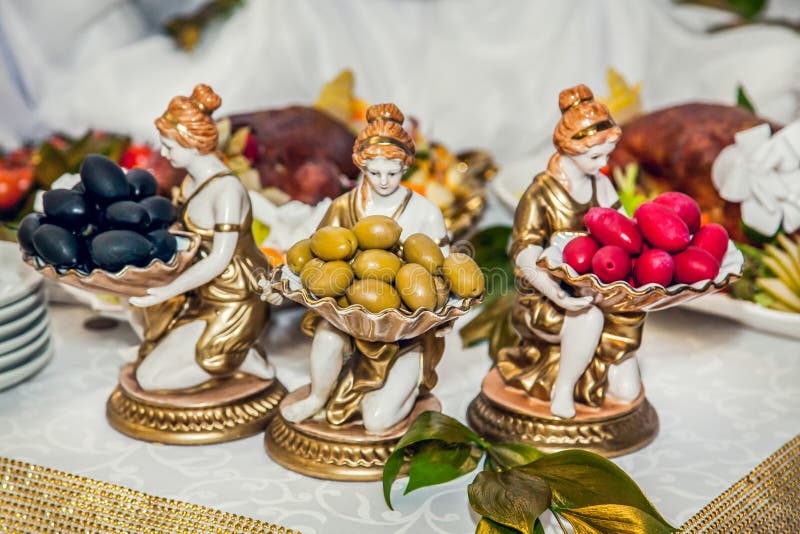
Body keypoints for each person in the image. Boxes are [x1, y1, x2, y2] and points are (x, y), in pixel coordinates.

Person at [281, 103, 450, 432]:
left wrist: (444, 317)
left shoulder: (426, 212)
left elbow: (442, 268)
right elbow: (319, 256)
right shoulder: (344, 206)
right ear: (362, 165)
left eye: (393, 172)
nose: (384, 181)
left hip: (407, 331)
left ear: (406, 166)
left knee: (377, 422)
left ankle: (396, 390)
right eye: (375, 172)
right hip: (347, 316)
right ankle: (318, 395)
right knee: (327, 338)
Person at [498, 84, 644, 419]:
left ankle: (597, 371)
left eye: (608, 154)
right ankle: (562, 390)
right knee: (587, 316)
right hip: (549, 296)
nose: (604, 163)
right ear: (569, 148)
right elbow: (525, 256)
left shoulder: (601, 185)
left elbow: (624, 235)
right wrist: (560, 296)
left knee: (627, 391)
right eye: (596, 156)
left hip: (602, 289)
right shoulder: (541, 194)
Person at [128, 84, 275, 390]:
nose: (164, 154)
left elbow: (219, 259)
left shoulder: (226, 192)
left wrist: (168, 290)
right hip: (199, 292)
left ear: (192, 143)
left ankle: (236, 357)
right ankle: (232, 354)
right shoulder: (191, 182)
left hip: (234, 298)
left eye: (170, 146)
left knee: (149, 380)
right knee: (145, 345)